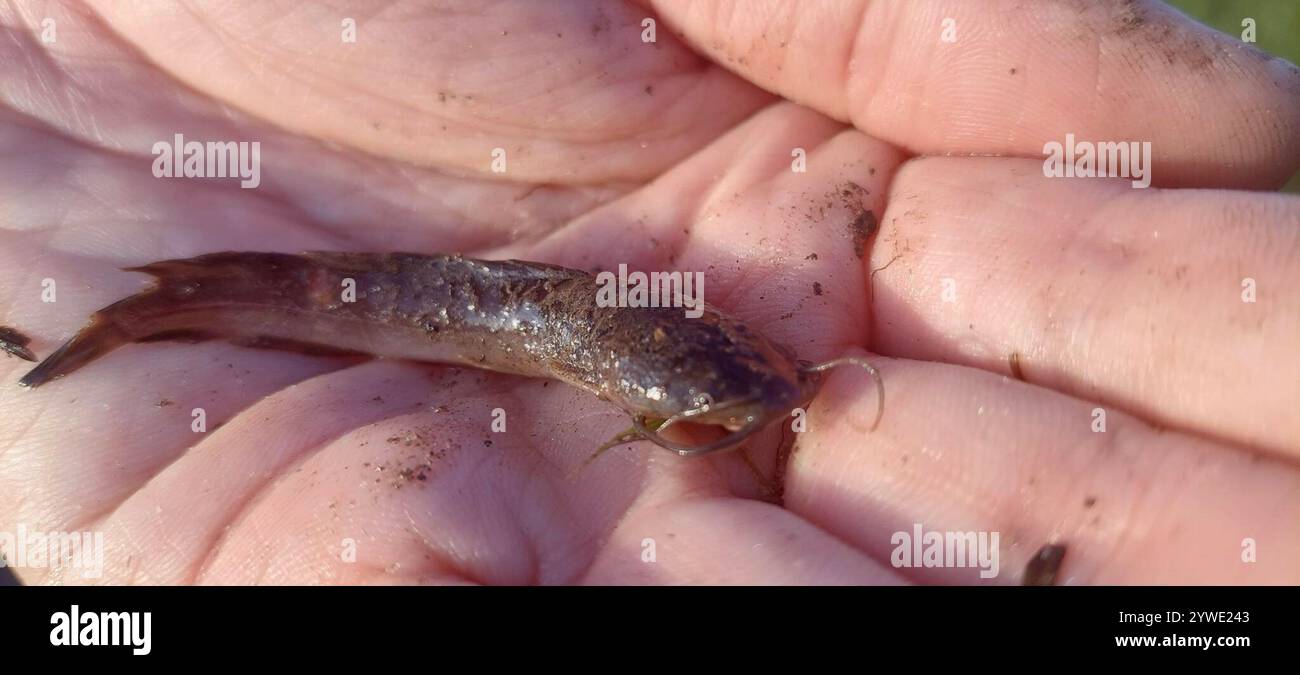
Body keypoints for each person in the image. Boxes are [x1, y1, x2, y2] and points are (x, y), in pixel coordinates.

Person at [1, 0, 1296, 585]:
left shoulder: (647, 343)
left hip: (537, 322)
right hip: (409, 294)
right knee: (394, 301)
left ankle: (154, 306)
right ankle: (154, 306)